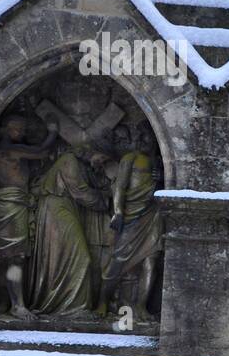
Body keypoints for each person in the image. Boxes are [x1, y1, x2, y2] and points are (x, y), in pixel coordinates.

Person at [0, 115, 58, 318]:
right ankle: (17, 306)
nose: (21, 133)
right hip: (12, 207)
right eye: (18, 129)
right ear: (5, 129)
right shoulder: (9, 149)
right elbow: (42, 152)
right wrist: (53, 131)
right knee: (15, 257)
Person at [29, 146, 106, 316]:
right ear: (91, 150)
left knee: (61, 256)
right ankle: (74, 307)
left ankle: (67, 304)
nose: (102, 162)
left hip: (63, 208)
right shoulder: (69, 160)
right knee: (80, 255)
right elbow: (80, 192)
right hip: (56, 209)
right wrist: (106, 200)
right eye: (102, 157)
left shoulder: (82, 166)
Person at [97, 124, 162, 318]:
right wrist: (118, 211)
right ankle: (102, 301)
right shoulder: (130, 159)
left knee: (151, 262)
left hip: (153, 215)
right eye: (141, 137)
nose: (143, 141)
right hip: (131, 216)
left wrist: (161, 179)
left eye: (148, 137)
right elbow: (120, 187)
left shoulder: (160, 162)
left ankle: (141, 306)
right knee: (118, 261)